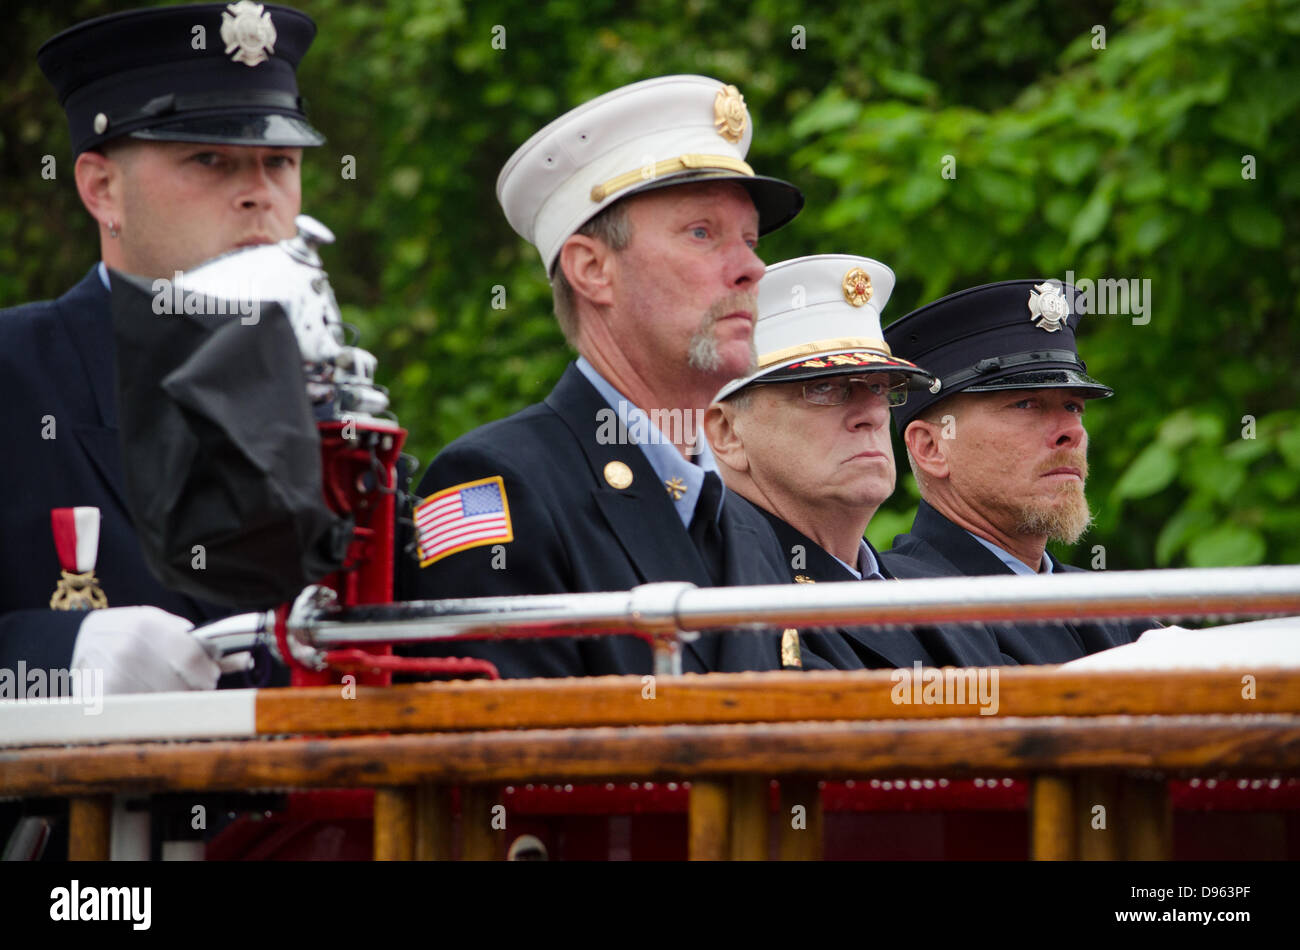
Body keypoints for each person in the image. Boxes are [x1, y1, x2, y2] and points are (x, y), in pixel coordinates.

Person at [398, 75, 807, 677]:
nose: (752, 268)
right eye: (702, 233)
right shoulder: (490, 485)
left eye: (749, 240)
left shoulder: (749, 525)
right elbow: (492, 756)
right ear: (592, 269)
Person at [0, 2, 326, 691]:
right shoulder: (15, 374)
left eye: (280, 161)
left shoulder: (328, 392)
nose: (260, 195)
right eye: (209, 159)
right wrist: (59, 659)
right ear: (101, 189)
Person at [705, 254, 1007, 668]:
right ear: (725, 433)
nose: (872, 414)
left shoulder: (934, 590)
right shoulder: (718, 595)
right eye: (825, 388)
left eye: (880, 387)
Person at [880, 279, 1145, 662]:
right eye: (1026, 405)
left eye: (1073, 407)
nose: (1070, 432)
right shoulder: (896, 603)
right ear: (931, 448)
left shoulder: (1108, 603)